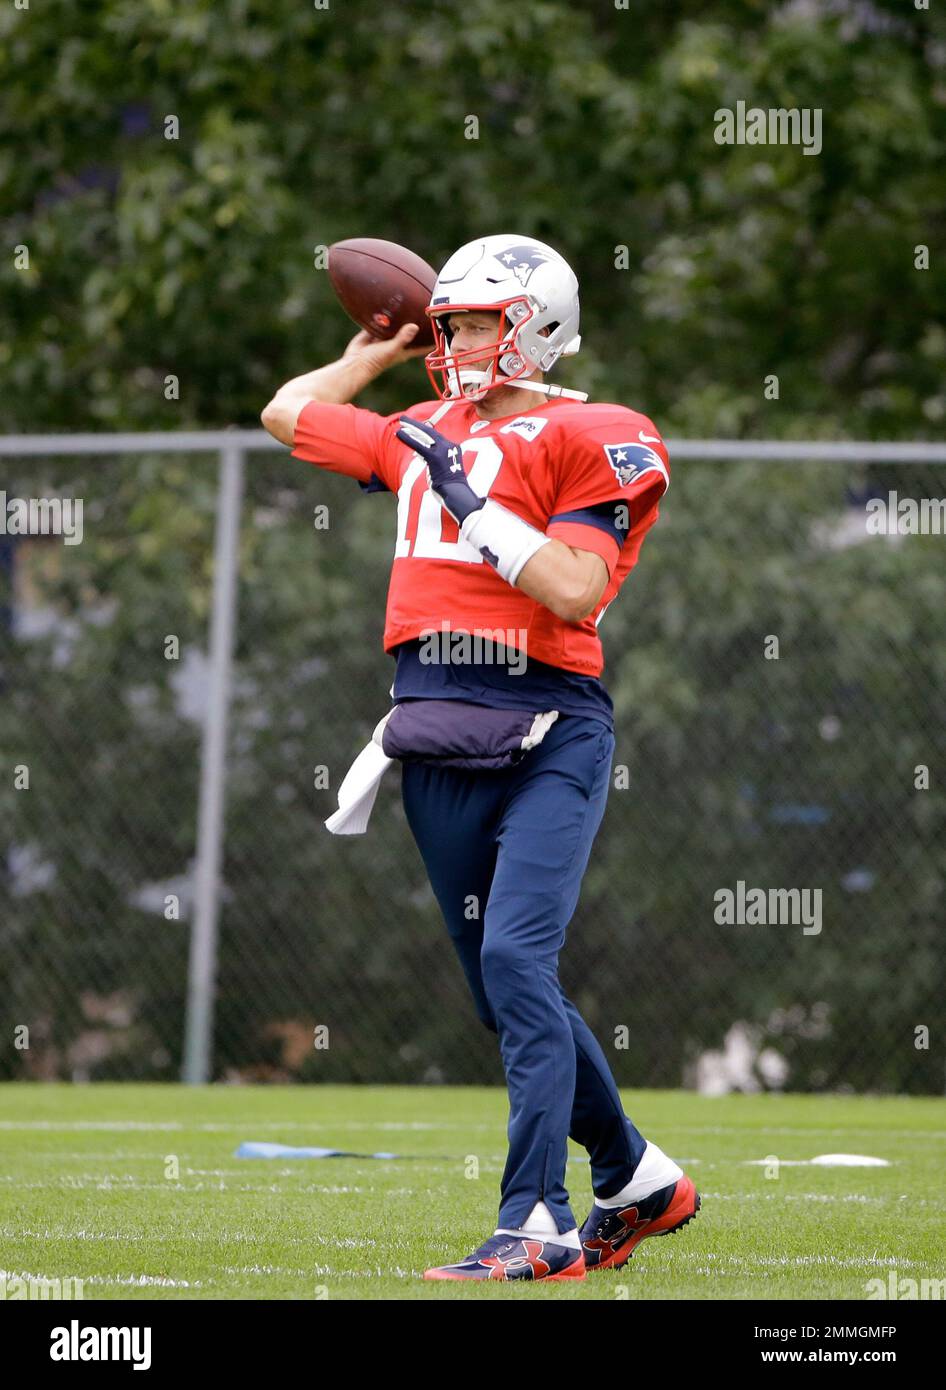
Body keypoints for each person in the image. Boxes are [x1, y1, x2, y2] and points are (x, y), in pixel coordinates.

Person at [261, 234, 699, 1283]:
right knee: (501, 988)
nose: (453, 345)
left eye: (472, 325)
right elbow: (286, 411)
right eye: (447, 325)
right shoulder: (423, 430)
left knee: (515, 961)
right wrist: (377, 350)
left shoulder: (598, 430)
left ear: (537, 329)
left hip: (548, 723)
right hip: (434, 726)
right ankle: (638, 1177)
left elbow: (576, 590)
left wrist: (472, 501)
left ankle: (536, 1221)